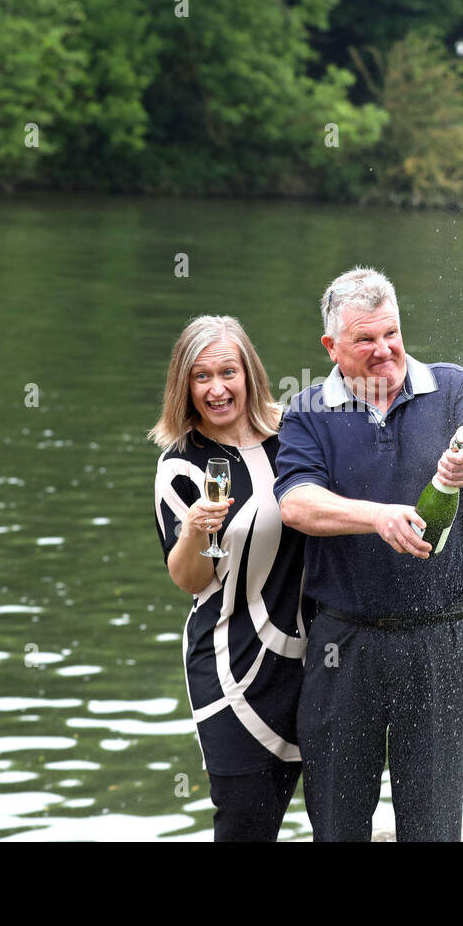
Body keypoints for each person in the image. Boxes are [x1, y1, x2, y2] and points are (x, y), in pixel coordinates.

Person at [274, 267, 463, 841]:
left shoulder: (454, 387)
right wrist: (378, 515)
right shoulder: (306, 411)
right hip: (345, 645)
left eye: (391, 333)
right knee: (338, 826)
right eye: (365, 339)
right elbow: (296, 504)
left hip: (442, 640)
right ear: (331, 347)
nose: (384, 350)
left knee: (434, 828)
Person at [149, 315, 310, 841]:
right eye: (201, 377)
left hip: (320, 660)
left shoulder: (296, 432)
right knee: (245, 826)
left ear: (250, 373)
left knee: (338, 818)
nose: (217, 389)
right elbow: (191, 580)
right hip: (232, 666)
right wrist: (195, 530)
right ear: (185, 386)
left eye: (228, 372)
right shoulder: (181, 466)